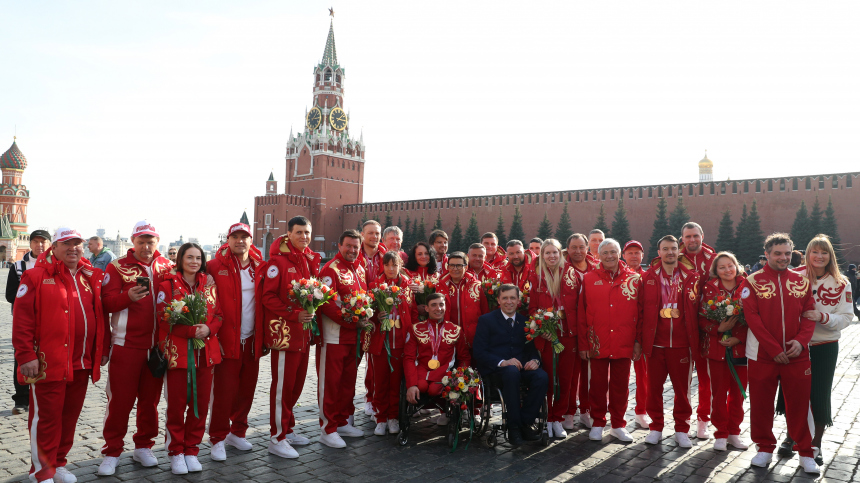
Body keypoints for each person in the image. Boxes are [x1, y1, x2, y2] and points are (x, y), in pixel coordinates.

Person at [13, 228, 108, 483]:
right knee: (46, 418)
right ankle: (41, 471)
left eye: (77, 244)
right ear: (53, 248)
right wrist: (26, 355)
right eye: (66, 244)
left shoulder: (90, 276)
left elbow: (101, 314)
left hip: (81, 362)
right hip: (49, 362)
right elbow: (22, 320)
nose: (73, 248)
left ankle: (59, 463)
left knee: (69, 417)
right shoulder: (35, 276)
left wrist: (103, 349)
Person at [99, 221, 172, 476]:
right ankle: (112, 451)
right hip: (126, 346)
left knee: (150, 402)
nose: (146, 246)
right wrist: (127, 298)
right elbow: (105, 303)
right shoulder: (117, 266)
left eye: (150, 241)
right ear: (133, 241)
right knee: (120, 401)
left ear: (157, 241)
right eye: (141, 241)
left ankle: (144, 446)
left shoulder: (167, 266)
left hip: (157, 349)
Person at [775, 235, 853, 466]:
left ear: (831, 256)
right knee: (791, 393)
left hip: (824, 346)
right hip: (795, 345)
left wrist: (822, 316)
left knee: (819, 393)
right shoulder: (793, 277)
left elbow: (847, 317)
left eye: (824, 252)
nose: (819, 256)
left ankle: (816, 443)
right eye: (815, 251)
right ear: (807, 253)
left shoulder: (841, 283)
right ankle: (791, 437)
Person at [744, 233, 818, 474]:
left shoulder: (802, 282)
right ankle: (764, 448)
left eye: (787, 253)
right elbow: (752, 319)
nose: (783, 258)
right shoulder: (752, 282)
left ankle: (805, 452)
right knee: (761, 404)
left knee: (799, 405)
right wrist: (774, 349)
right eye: (777, 253)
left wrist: (801, 341)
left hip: (797, 355)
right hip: (762, 355)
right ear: (767, 254)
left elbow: (809, 314)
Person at [258, 216, 321, 457]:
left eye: (307, 232)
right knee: (283, 388)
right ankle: (277, 437)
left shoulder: (309, 260)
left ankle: (288, 429)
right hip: (285, 335)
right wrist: (294, 314)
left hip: (304, 335)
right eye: (299, 232)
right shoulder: (278, 262)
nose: (304, 236)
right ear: (289, 234)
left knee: (296, 386)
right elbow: (268, 297)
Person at [156, 243, 221, 475]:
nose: (194, 262)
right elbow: (163, 319)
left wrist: (209, 329)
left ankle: (192, 450)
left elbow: (219, 315)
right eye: (189, 257)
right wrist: (190, 331)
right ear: (181, 259)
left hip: (205, 354)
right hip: (179, 354)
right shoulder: (167, 285)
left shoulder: (210, 284)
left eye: (198, 258)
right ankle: (175, 451)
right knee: (176, 406)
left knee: (200, 405)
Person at [206, 223, 264, 461]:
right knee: (223, 392)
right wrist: (213, 336)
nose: (240, 241)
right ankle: (217, 438)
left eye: (244, 237)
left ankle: (237, 432)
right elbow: (206, 302)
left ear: (251, 240)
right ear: (228, 240)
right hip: (226, 340)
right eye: (235, 237)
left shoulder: (260, 266)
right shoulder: (213, 266)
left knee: (247, 390)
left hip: (252, 339)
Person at [639, 235, 700, 448]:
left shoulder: (691, 277)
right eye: (665, 249)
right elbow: (640, 310)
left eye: (673, 248)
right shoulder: (648, 277)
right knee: (654, 389)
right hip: (656, 343)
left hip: (682, 344)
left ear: (679, 251)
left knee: (682, 391)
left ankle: (682, 429)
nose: (670, 252)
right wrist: (640, 340)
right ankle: (656, 427)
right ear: (659, 253)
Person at [578, 238, 641, 443]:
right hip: (597, 342)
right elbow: (581, 313)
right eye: (605, 252)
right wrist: (584, 343)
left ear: (619, 254)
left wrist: (638, 341)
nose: (609, 256)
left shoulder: (634, 279)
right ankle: (598, 422)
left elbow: (640, 313)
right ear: (598, 255)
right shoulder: (588, 279)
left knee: (620, 386)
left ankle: (618, 424)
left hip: (624, 340)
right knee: (597, 385)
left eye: (613, 252)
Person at [472, 285, 548, 446]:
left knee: (541, 376)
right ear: (498, 300)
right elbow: (479, 352)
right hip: (496, 371)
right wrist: (503, 362)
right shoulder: (486, 320)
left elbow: (531, 350)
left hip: (521, 369)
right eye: (505, 298)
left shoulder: (525, 321)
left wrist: (535, 361)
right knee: (511, 372)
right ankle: (513, 428)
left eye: (513, 298)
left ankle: (525, 422)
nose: (509, 301)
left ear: (518, 300)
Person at [317, 230, 368, 448]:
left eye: (356, 247)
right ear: (339, 246)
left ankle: (342, 421)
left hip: (354, 336)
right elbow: (327, 304)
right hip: (334, 336)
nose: (352, 250)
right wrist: (350, 322)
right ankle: (327, 429)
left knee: (348, 382)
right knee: (331, 383)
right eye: (348, 245)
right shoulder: (331, 269)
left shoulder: (360, 269)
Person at [698, 252, 749, 452]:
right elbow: (701, 318)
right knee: (718, 393)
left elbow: (754, 316)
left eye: (730, 265)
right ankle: (720, 433)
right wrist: (717, 329)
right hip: (716, 349)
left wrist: (739, 338)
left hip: (741, 349)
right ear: (715, 270)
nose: (727, 270)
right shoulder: (708, 288)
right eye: (722, 267)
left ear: (736, 266)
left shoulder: (747, 285)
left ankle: (734, 433)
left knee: (738, 393)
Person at [527, 239, 579, 438]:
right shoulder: (536, 277)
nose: (551, 256)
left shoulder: (571, 274)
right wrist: (541, 328)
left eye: (555, 252)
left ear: (560, 254)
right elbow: (532, 308)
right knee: (548, 379)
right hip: (547, 337)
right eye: (547, 253)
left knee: (565, 379)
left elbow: (579, 305)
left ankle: (558, 418)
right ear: (542, 255)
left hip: (567, 335)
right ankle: (546, 418)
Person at [5, 228, 51, 415]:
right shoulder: (18, 266)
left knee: (49, 359)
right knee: (22, 358)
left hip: (49, 322)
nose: (40, 245)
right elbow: (10, 295)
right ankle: (22, 400)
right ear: (30, 244)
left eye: (43, 242)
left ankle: (43, 398)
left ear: (50, 244)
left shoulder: (55, 265)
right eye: (36, 242)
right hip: (25, 322)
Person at [403, 293, 471, 419]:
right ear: (426, 308)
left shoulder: (456, 330)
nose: (438, 308)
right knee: (422, 386)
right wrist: (411, 385)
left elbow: (464, 357)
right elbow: (409, 358)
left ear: (445, 307)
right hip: (421, 371)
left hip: (445, 372)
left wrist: (461, 379)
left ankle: (445, 412)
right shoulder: (415, 329)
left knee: (434, 389)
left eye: (441, 305)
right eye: (433, 305)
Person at [368, 252, 414, 435]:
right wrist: (376, 316)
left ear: (400, 265)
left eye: (394, 265)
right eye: (387, 265)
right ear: (383, 266)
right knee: (380, 383)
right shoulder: (374, 286)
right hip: (381, 342)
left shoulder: (407, 286)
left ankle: (393, 417)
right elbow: (366, 312)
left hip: (401, 342)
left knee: (396, 383)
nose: (391, 269)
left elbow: (413, 312)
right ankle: (380, 418)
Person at [679, 222, 714, 439]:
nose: (692, 240)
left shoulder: (713, 259)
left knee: (705, 377)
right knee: (682, 378)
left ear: (702, 235)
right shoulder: (675, 258)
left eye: (695, 235)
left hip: (706, 326)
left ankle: (703, 420)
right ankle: (682, 420)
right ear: (682, 238)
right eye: (688, 236)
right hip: (681, 326)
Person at [565, 233, 593, 429]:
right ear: (567, 249)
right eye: (573, 247)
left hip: (592, 327)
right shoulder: (562, 269)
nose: (578, 251)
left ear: (587, 248)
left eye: (581, 247)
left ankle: (586, 410)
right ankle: (568, 411)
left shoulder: (596, 268)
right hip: (570, 328)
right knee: (571, 373)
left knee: (589, 373)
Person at [358, 221, 386, 417]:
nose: (374, 237)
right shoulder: (355, 253)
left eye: (377, 233)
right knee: (355, 361)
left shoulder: (385, 256)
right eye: (370, 233)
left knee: (374, 361)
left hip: (379, 313)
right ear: (362, 234)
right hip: (358, 312)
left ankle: (372, 397)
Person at [621, 240, 650, 429]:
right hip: (622, 331)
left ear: (642, 256)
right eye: (630, 252)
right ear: (623, 256)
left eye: (637, 253)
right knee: (619, 376)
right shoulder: (619, 276)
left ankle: (641, 411)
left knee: (643, 375)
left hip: (643, 332)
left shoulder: (648, 277)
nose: (633, 256)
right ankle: (617, 412)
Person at [437, 251, 487, 352]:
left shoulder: (477, 286)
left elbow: (485, 311)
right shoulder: (439, 286)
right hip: (447, 338)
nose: (455, 269)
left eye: (459, 266)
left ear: (466, 267)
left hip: (473, 338)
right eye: (452, 265)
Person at [404, 241, 438, 321]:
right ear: (414, 256)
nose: (423, 256)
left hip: (432, 317)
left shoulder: (436, 276)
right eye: (419, 254)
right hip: (412, 317)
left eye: (426, 253)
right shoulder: (406, 274)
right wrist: (415, 307)